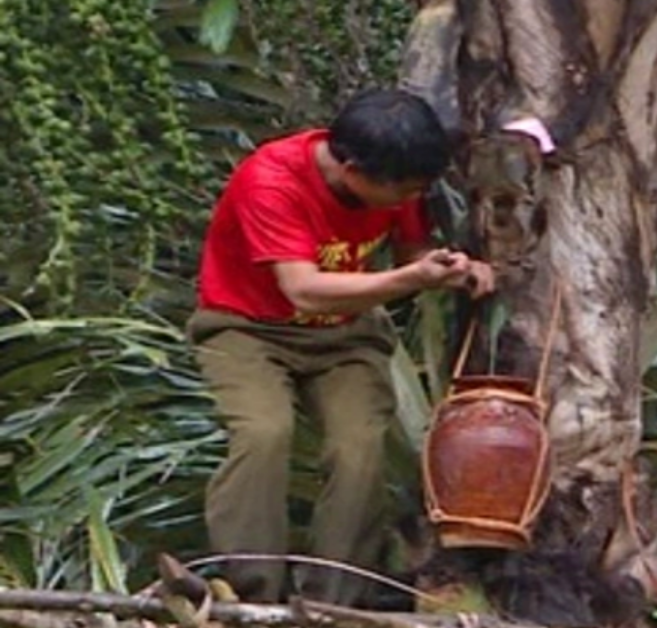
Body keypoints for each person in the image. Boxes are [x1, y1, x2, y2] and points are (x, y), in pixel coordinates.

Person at [185, 88, 494, 606]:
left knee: (359, 448)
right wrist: (412, 277)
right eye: (398, 190)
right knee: (264, 433)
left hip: (344, 334)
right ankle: (251, 596)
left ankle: (333, 601)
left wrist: (448, 268)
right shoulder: (272, 180)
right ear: (350, 167)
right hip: (248, 329)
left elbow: (412, 249)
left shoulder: (397, 175)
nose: (403, 201)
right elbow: (302, 289)